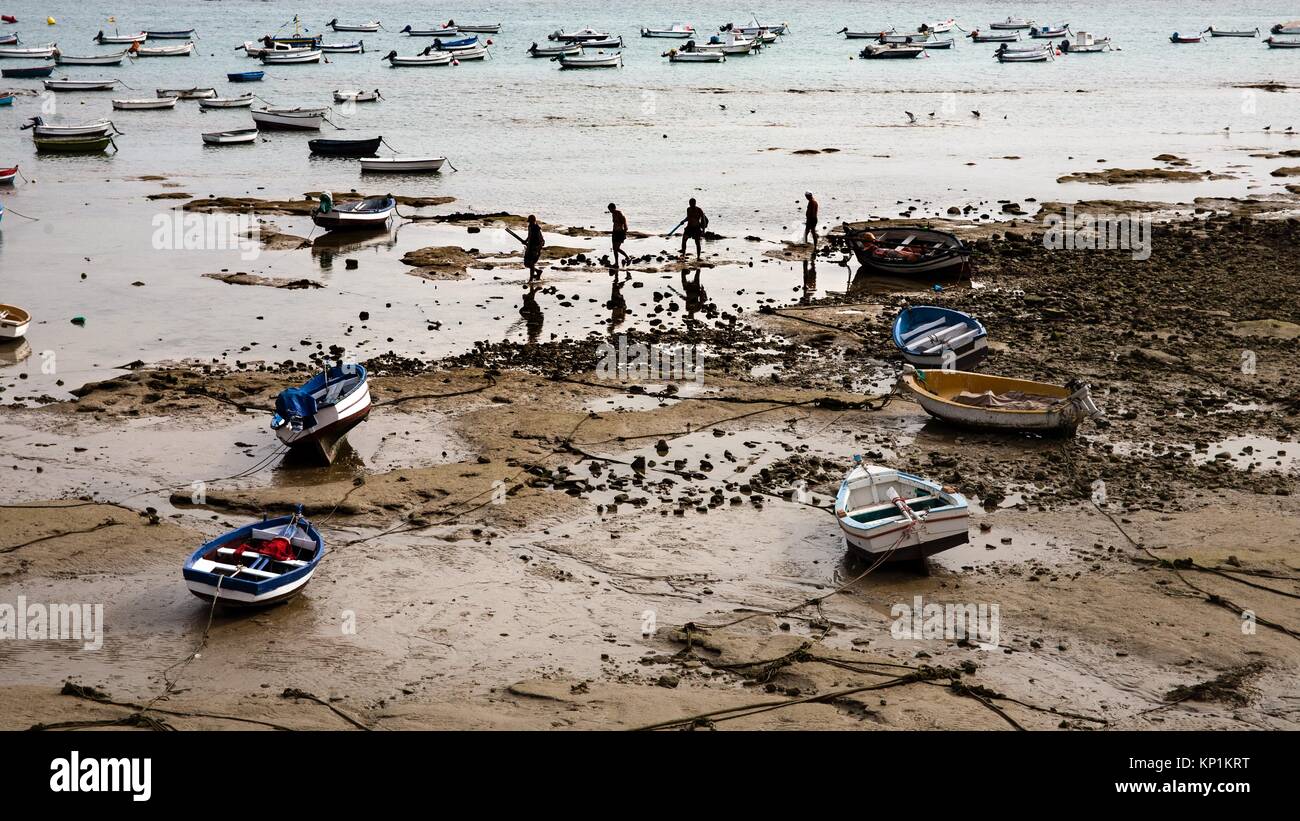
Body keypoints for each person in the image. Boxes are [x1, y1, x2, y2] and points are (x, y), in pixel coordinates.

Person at [608, 203, 631, 270]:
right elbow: (615, 224)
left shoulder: (619, 213)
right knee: (614, 249)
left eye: (610, 209)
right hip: (614, 233)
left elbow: (625, 224)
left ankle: (628, 258)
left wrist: (624, 233)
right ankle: (616, 263)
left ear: (614, 208)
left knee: (617, 248)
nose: (610, 211)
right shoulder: (613, 214)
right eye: (609, 210)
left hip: (620, 233)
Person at [524, 215, 545, 280]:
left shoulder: (536, 228)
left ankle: (531, 279)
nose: (530, 223)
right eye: (529, 221)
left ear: (533, 221)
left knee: (531, 263)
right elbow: (529, 236)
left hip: (535, 248)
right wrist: (526, 241)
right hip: (530, 247)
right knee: (526, 263)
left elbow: (540, 239)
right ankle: (538, 271)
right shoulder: (530, 226)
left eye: (531, 221)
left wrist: (537, 249)